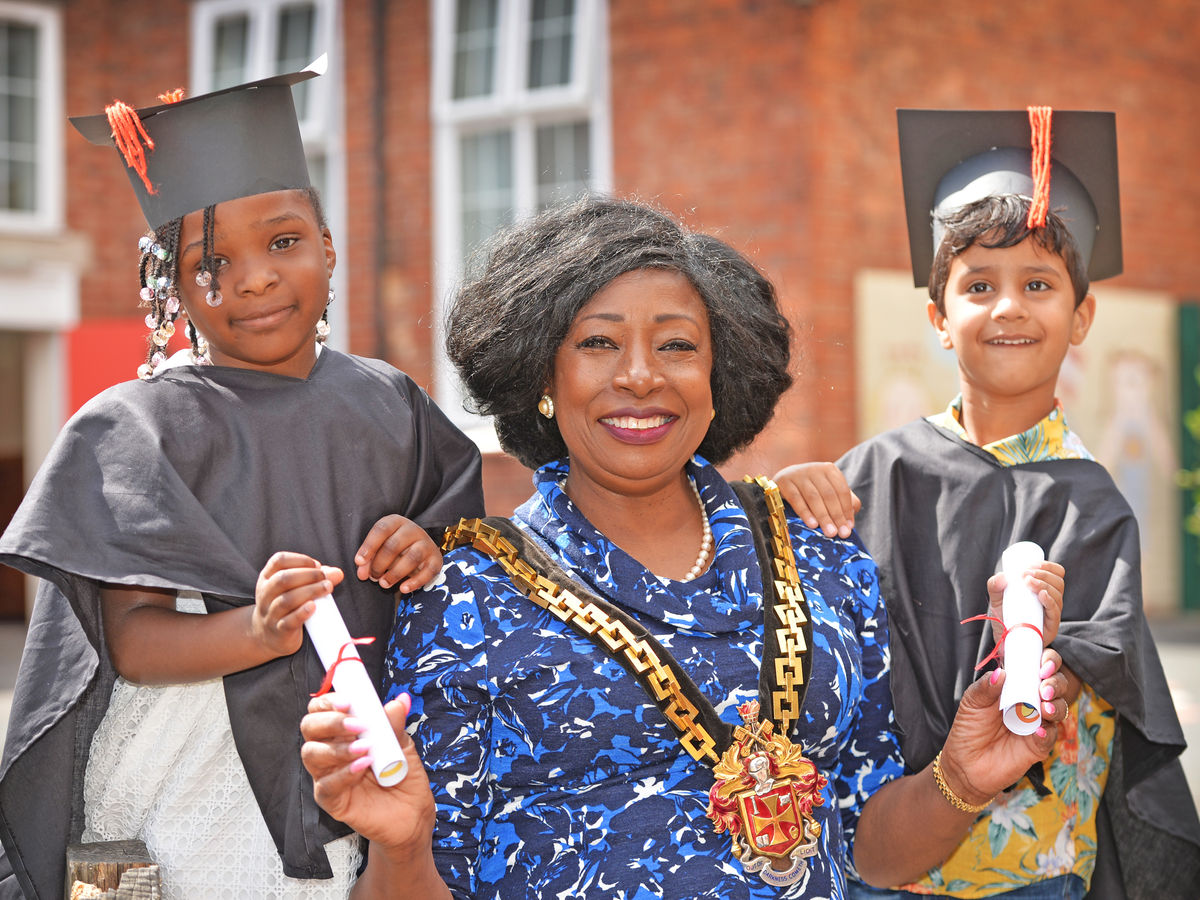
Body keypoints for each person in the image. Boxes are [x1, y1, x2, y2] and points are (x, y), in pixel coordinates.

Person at [297, 196, 1072, 899]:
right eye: (598, 343)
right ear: (543, 374)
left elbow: (870, 854)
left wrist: (965, 777)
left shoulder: (826, 563)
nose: (639, 377)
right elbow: (429, 878)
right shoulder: (464, 596)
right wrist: (399, 849)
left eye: (676, 347)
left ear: (717, 375)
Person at [0, 59, 483, 900]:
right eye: (210, 262)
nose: (253, 278)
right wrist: (258, 633)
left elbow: (467, 528)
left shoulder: (390, 403)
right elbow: (132, 642)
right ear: (172, 287)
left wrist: (426, 543)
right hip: (176, 764)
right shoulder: (135, 426)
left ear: (328, 249)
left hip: (346, 751)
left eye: (284, 242)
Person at [774, 108, 1200, 898]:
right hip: (883, 851)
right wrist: (783, 499)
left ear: (1081, 316)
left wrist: (1044, 662)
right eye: (978, 286)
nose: (1008, 307)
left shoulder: (1094, 503)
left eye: (1038, 284)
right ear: (939, 319)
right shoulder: (875, 471)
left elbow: (1094, 667)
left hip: (1028, 870)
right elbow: (803, 630)